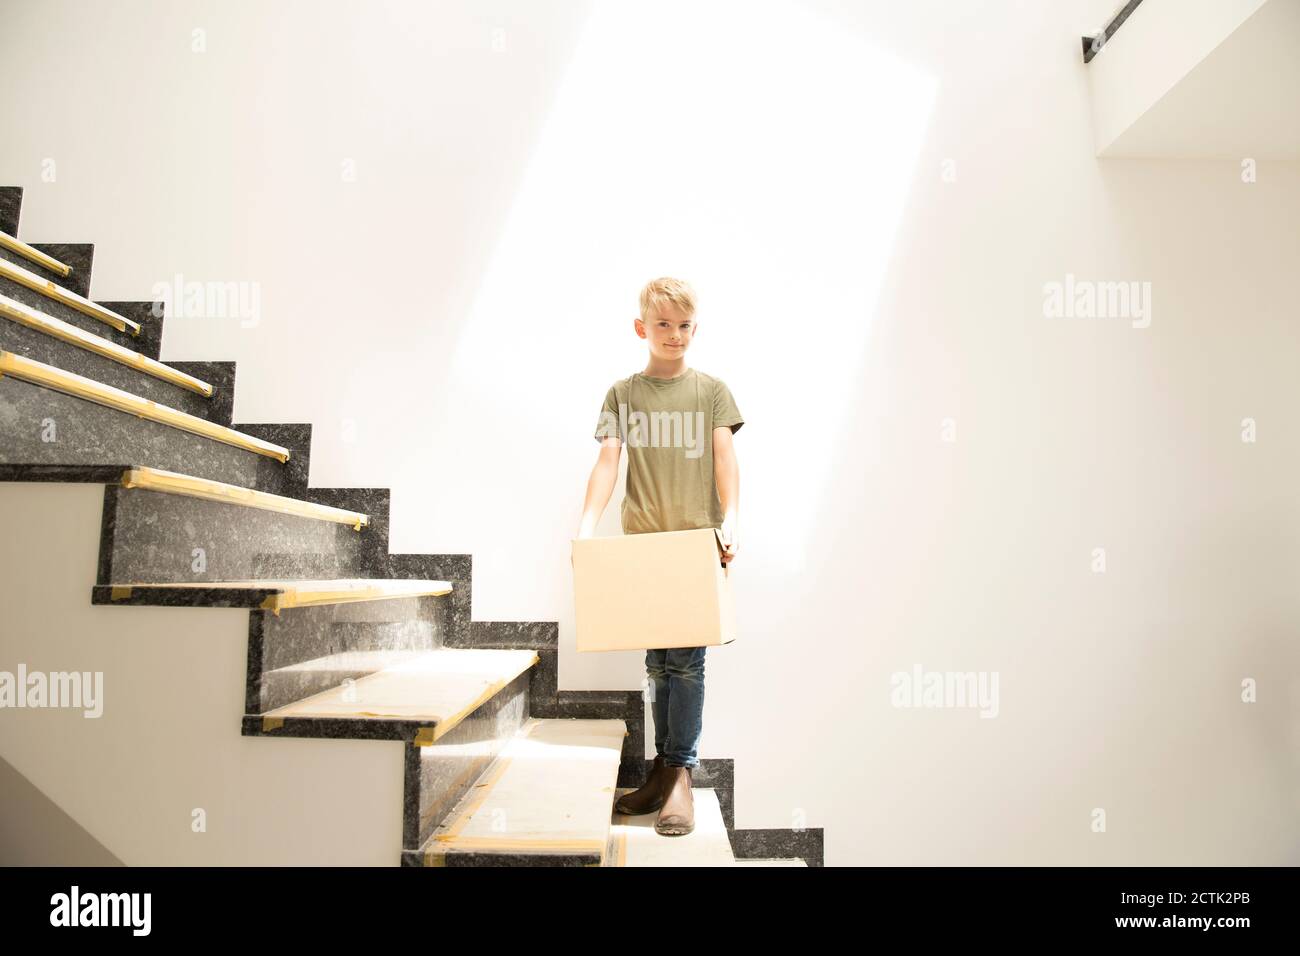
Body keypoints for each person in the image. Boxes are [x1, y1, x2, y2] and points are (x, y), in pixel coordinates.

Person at [576, 276, 743, 836]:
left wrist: (732, 519)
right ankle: (662, 771)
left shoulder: (712, 390)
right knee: (657, 664)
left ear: (696, 328)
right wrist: (585, 528)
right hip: (644, 544)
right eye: (664, 324)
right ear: (641, 327)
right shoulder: (623, 394)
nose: (675, 335)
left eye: (685, 325)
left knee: (687, 664)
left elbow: (725, 458)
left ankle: (679, 779)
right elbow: (607, 461)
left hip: (696, 543)